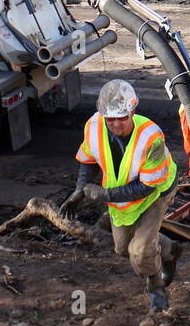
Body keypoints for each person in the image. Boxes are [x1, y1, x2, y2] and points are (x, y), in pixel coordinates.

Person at [62, 79, 181, 312]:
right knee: (122, 248)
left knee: (139, 252)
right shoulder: (93, 126)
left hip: (156, 192)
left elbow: (146, 187)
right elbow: (87, 161)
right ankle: (170, 249)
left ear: (133, 111)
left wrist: (105, 194)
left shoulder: (151, 137)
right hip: (121, 198)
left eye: (121, 118)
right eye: (110, 119)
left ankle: (156, 288)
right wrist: (79, 191)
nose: (115, 124)